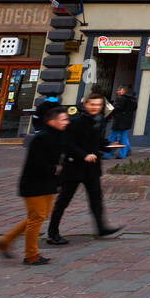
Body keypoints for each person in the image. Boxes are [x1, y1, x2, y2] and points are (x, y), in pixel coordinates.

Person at [0, 101, 69, 266]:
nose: (66, 122)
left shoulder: (59, 135)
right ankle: (31, 255)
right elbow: (36, 164)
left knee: (38, 216)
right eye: (63, 119)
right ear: (51, 121)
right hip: (34, 184)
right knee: (37, 217)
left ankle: (5, 241)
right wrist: (55, 169)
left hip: (48, 183)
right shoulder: (41, 138)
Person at [46, 89, 124, 245]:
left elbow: (96, 141)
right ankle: (52, 232)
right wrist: (84, 155)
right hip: (74, 167)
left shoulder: (99, 120)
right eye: (93, 104)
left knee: (96, 199)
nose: (96, 107)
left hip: (92, 168)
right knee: (64, 201)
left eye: (99, 105)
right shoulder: (75, 121)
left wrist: (109, 145)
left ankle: (102, 228)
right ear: (86, 104)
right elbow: (68, 144)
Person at [108, 84, 137, 159]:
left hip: (119, 121)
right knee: (123, 137)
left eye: (118, 90)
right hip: (126, 121)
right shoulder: (132, 99)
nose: (117, 91)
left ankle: (108, 154)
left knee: (112, 137)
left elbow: (117, 109)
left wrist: (110, 107)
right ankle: (125, 152)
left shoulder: (121, 98)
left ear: (123, 91)